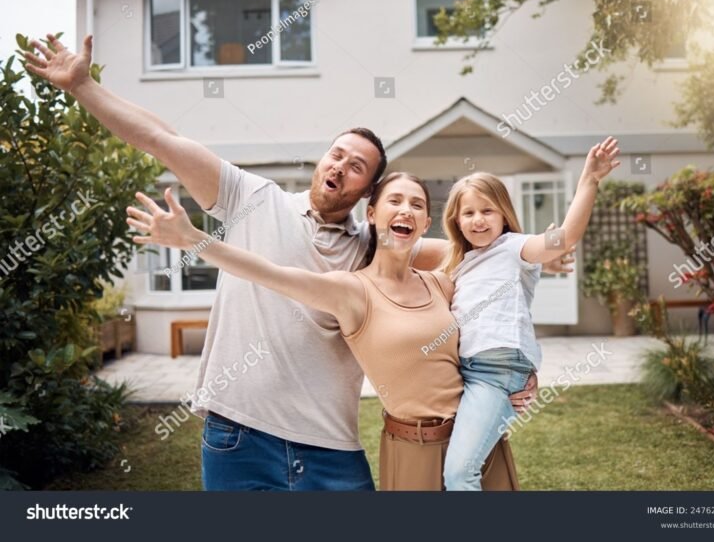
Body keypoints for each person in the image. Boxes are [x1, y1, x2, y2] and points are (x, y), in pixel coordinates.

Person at [25, 34, 564, 490]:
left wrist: (510, 365)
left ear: (365, 195)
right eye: (337, 154)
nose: (341, 167)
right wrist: (83, 86)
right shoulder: (251, 198)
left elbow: (478, 259)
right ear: (323, 161)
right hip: (239, 434)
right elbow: (164, 139)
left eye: (357, 167)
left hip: (332, 446)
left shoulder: (373, 248)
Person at [128, 172, 544, 489]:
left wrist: (519, 375)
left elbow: (499, 315)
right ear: (372, 214)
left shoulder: (443, 282)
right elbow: (269, 273)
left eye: (417, 205)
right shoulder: (351, 291)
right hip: (411, 447)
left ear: (426, 222)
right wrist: (195, 241)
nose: (406, 210)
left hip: (476, 440)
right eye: (395, 200)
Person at [441, 138, 621, 490]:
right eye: (469, 212)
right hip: (470, 371)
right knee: (461, 465)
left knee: (459, 474)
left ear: (504, 213)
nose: (478, 219)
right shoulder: (460, 263)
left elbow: (564, 239)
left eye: (488, 210)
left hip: (497, 371)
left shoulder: (513, 248)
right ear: (457, 221)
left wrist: (589, 180)